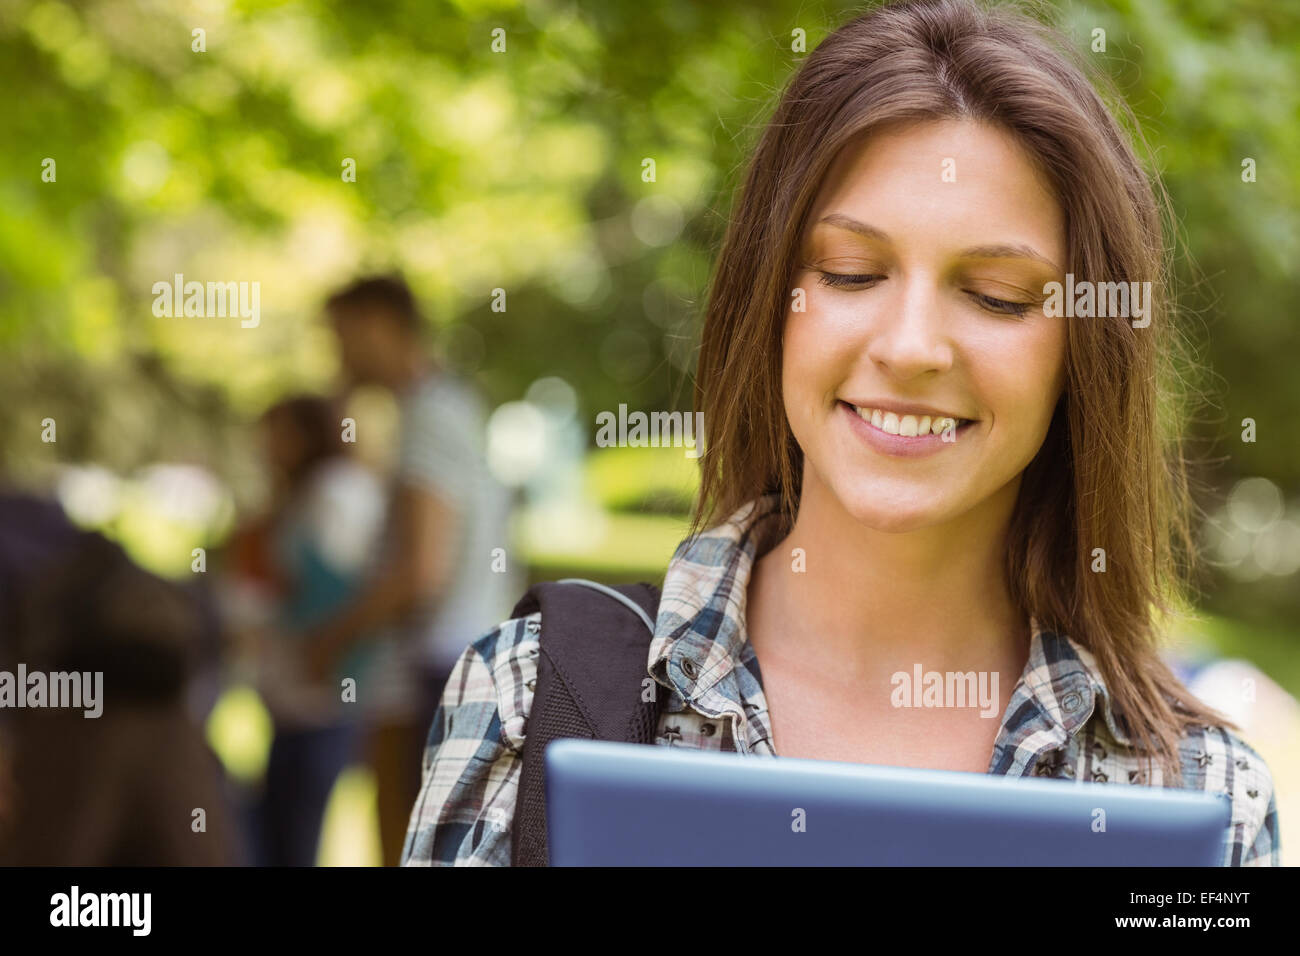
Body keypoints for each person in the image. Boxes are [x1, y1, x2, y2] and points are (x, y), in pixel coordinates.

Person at [402, 0, 1279, 866]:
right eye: (852, 273)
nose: (908, 347)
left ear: (1084, 350)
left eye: (997, 296)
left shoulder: (1200, 793)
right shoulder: (529, 698)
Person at [306, 275, 516, 866]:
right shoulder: (442, 408)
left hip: (433, 672)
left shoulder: (430, 416)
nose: (337, 353)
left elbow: (421, 569)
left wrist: (331, 636)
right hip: (449, 663)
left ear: (380, 325)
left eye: (342, 334)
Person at [227, 394, 386, 866]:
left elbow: (351, 590)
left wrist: (325, 649)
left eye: (279, 433)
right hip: (291, 697)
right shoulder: (298, 500)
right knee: (273, 830)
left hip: (324, 697)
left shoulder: (338, 493)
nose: (267, 447)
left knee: (294, 835)